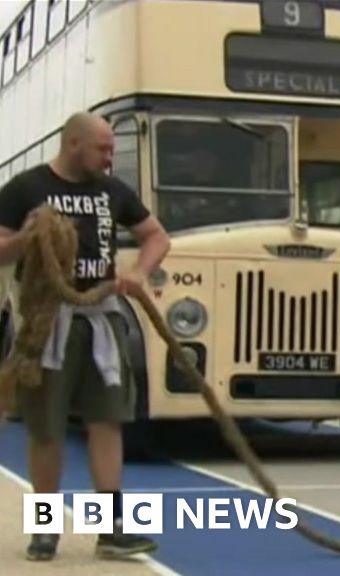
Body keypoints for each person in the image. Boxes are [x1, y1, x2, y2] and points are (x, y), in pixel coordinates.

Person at [0, 112, 171, 561]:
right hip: (45, 320)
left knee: (107, 422)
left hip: (101, 317)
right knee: (46, 430)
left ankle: (112, 529)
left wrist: (138, 272)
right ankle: (45, 529)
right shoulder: (26, 188)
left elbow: (156, 237)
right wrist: (28, 237)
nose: (110, 157)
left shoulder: (112, 191)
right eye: (104, 149)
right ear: (74, 144)